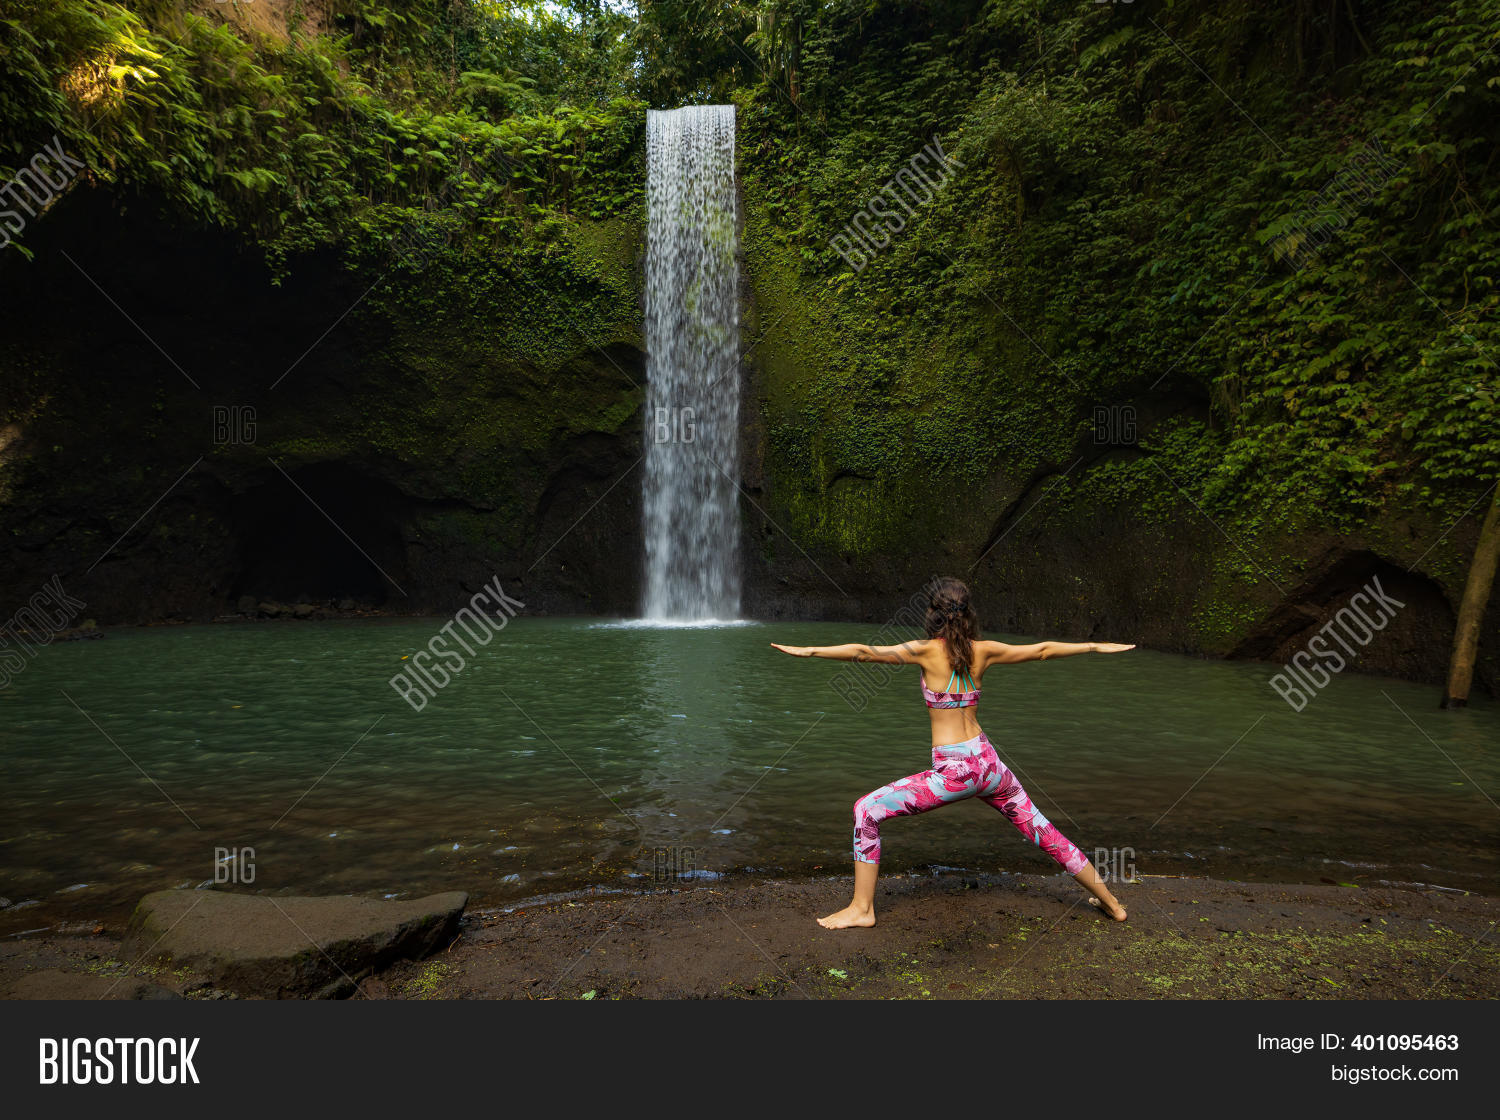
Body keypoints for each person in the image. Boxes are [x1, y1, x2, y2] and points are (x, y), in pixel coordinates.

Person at [770, 576, 1134, 928]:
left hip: (956, 772)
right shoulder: (984, 651)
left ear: (933, 614)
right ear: (968, 613)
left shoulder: (926, 652)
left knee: (866, 811)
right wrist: (1095, 646)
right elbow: (1041, 650)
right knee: (1045, 832)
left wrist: (810, 650)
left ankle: (862, 909)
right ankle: (1113, 905)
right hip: (989, 765)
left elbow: (866, 653)